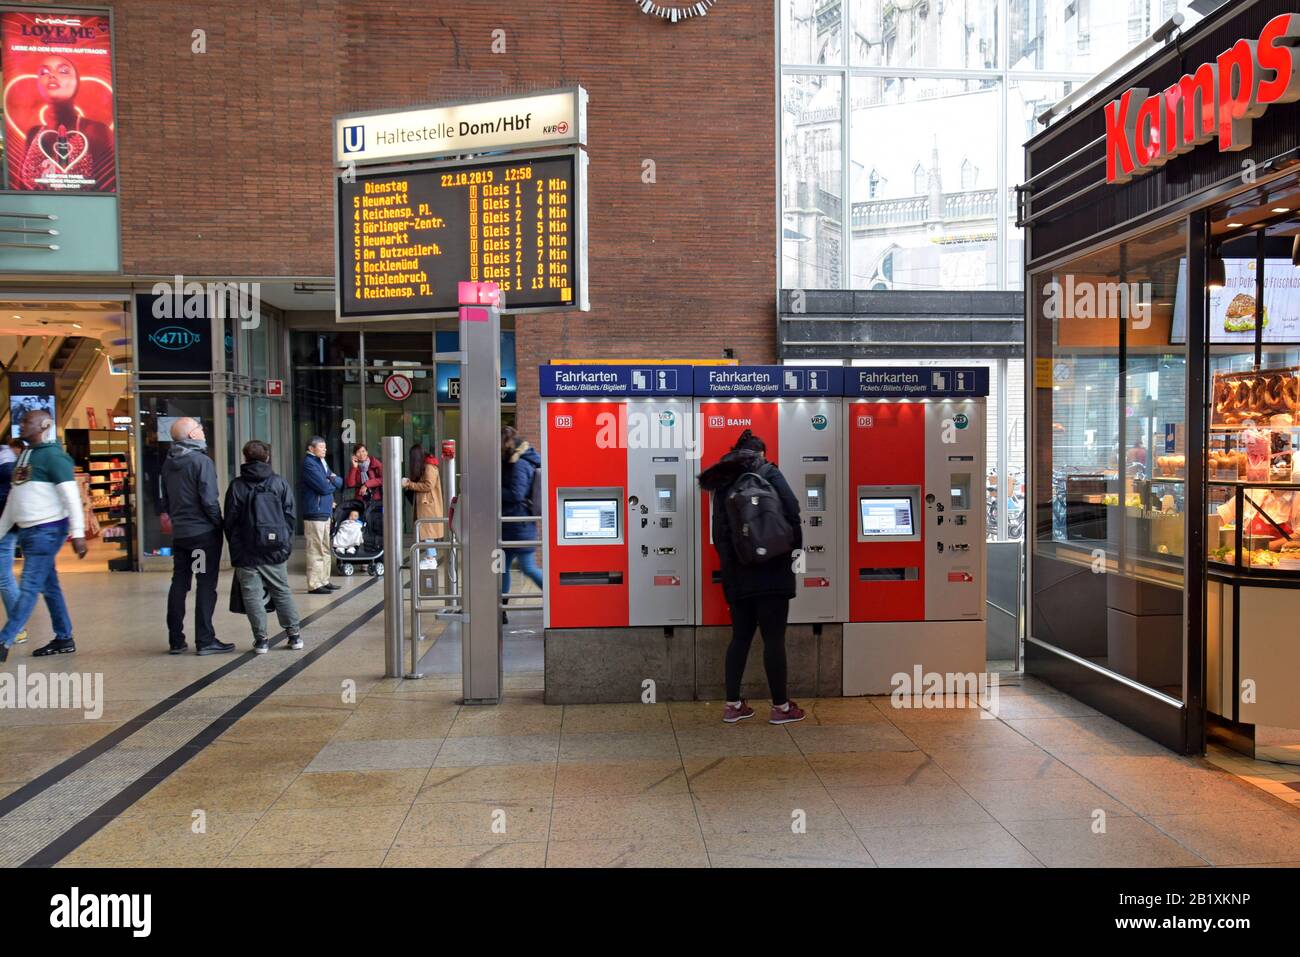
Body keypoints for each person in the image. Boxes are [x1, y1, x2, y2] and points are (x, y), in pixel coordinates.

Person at [697, 429, 805, 725]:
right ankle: (781, 708)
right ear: (761, 453)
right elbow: (793, 512)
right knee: (774, 640)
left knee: (740, 638)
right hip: (774, 570)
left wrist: (730, 569)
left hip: (739, 573)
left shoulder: (722, 482)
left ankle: (733, 705)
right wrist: (794, 554)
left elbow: (719, 534)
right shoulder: (769, 471)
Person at [0, 408, 87, 664]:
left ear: (44, 425)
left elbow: (70, 497)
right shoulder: (26, 455)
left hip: (46, 531)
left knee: (29, 585)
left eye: (27, 421)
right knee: (49, 586)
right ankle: (64, 637)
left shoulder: (54, 458)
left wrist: (78, 532)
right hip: (30, 531)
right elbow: (15, 499)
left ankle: (5, 639)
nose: (21, 424)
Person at [159, 417, 232, 655]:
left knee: (179, 583)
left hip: (181, 535)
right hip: (202, 535)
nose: (203, 431)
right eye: (199, 428)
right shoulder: (201, 462)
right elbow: (209, 499)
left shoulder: (169, 462)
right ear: (192, 435)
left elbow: (166, 499)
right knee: (205, 584)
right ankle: (205, 639)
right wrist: (218, 524)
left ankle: (176, 639)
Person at [224, 440, 302, 654]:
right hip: (274, 549)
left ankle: (261, 640)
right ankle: (294, 635)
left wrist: (237, 546)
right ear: (267, 457)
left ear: (245, 458)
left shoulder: (237, 486)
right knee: (282, 590)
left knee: (252, 595)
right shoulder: (279, 483)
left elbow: (229, 521)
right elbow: (290, 516)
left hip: (246, 552)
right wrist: (284, 544)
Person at [500, 426, 542, 622]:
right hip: (510, 524)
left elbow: (516, 494)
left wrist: (493, 488)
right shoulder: (513, 462)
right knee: (502, 568)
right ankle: (501, 610)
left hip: (519, 525)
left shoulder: (519, 465)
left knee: (528, 568)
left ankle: (555, 597)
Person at [298, 435, 341, 595]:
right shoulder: (309, 464)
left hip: (325, 511)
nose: (325, 449)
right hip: (314, 512)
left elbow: (339, 482)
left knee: (324, 548)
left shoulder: (321, 462)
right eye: (321, 447)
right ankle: (315, 583)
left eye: (325, 446)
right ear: (311, 448)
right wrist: (330, 481)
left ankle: (324, 579)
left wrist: (330, 480)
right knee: (315, 549)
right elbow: (323, 487)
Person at [0, 439, 28, 645]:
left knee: (3, 577)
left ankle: (17, 627)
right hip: (7, 526)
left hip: (4, 528)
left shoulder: (6, 465)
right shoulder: (9, 463)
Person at [403, 451, 445, 570]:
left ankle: (430, 558)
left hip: (428, 505)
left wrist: (410, 484)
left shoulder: (429, 467)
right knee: (427, 532)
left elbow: (428, 485)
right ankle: (430, 557)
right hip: (427, 504)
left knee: (428, 532)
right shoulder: (427, 466)